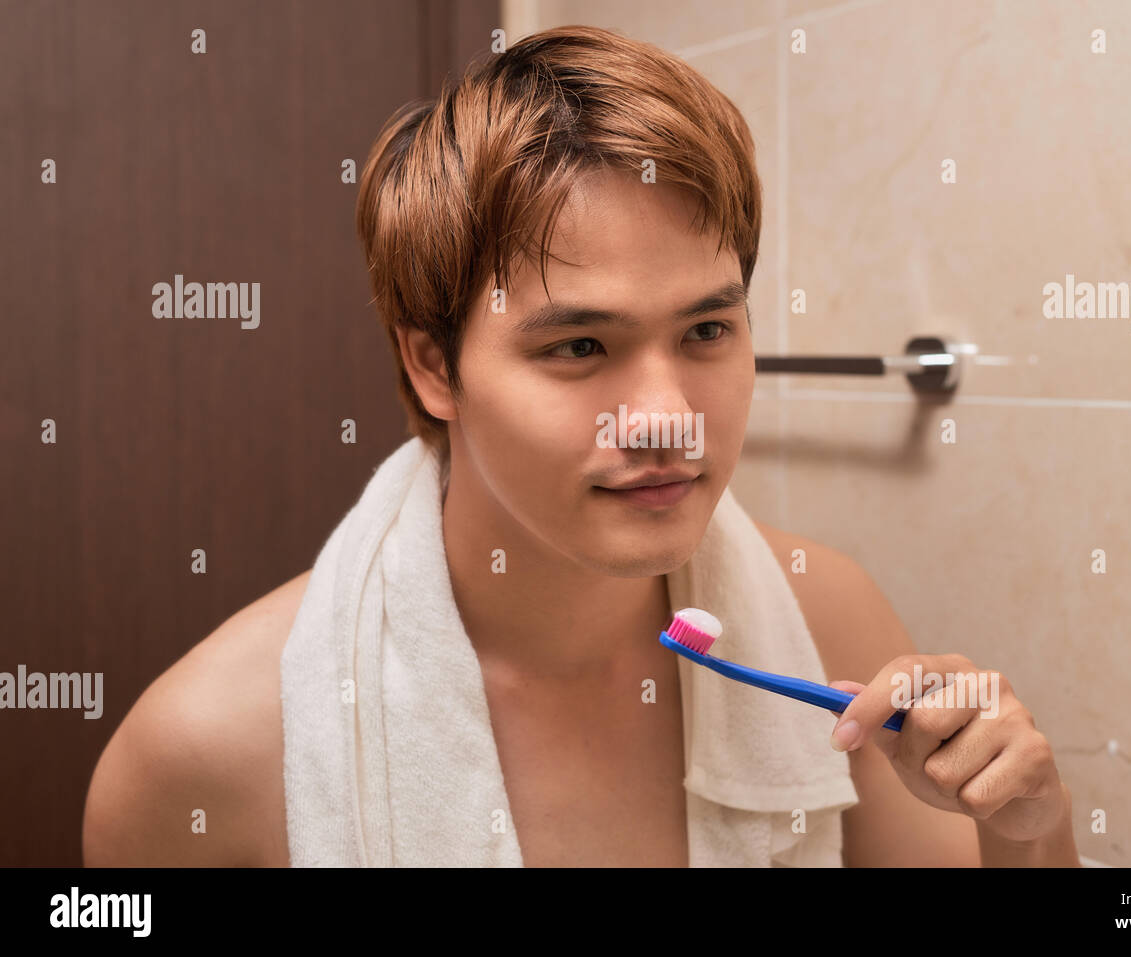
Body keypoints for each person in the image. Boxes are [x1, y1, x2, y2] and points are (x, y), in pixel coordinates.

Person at [82, 25, 1078, 867]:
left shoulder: (828, 622)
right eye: (580, 346)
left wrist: (1028, 834)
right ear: (435, 367)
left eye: (706, 332)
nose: (665, 416)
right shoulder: (203, 752)